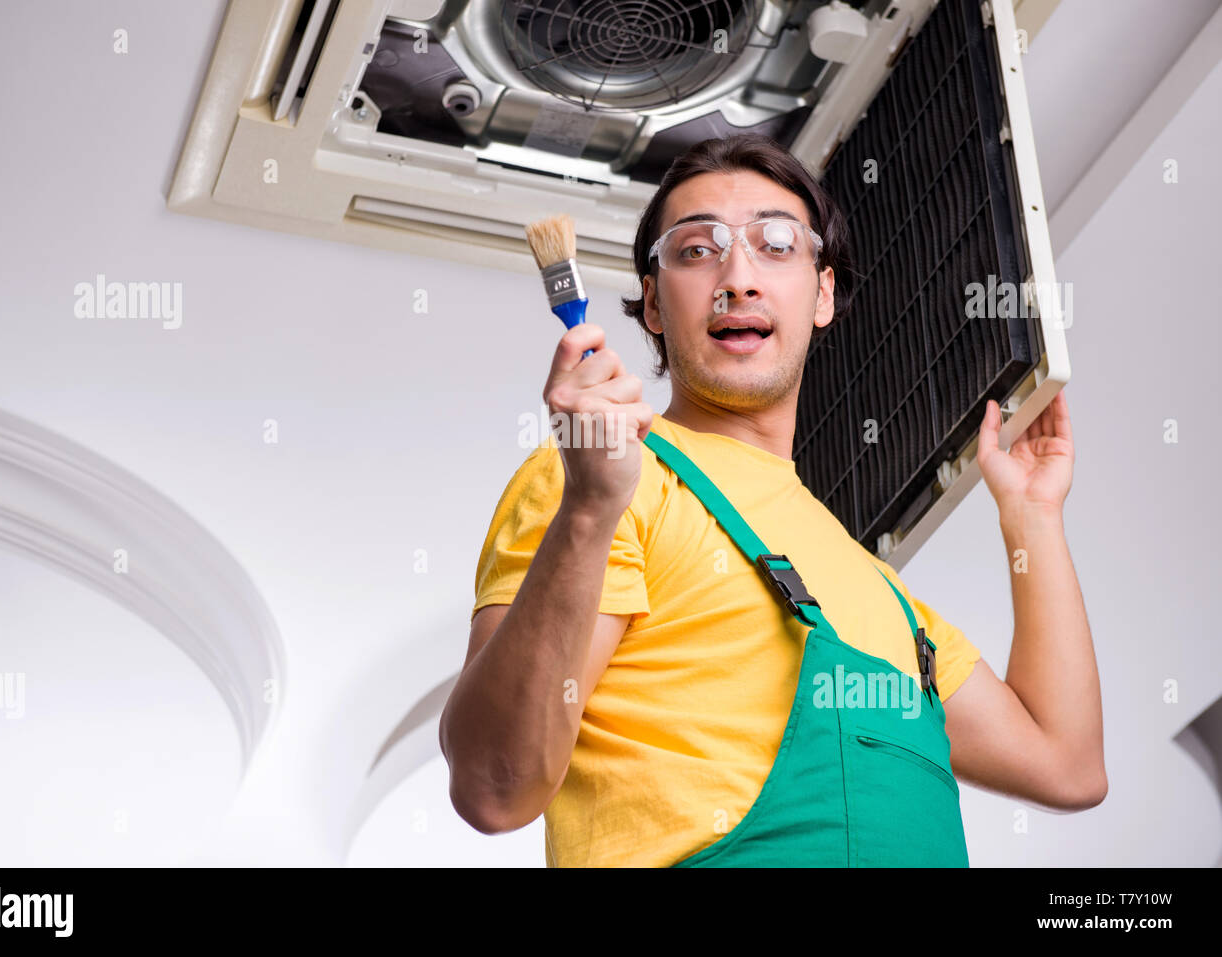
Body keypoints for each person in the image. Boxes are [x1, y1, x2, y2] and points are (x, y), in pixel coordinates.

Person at [440, 132, 1105, 867]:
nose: (737, 277)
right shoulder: (608, 481)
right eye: (696, 250)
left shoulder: (884, 593)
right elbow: (494, 786)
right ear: (654, 305)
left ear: (823, 293)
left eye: (777, 244)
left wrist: (1033, 517)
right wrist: (590, 511)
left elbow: (1066, 764)